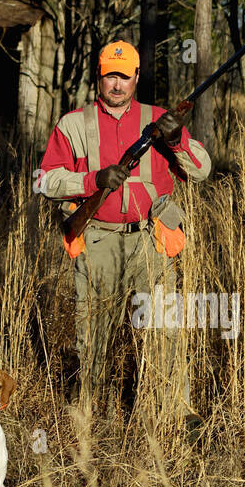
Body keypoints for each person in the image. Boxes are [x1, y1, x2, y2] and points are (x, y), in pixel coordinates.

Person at [38, 40, 211, 427]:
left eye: (124, 76)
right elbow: (44, 179)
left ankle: (172, 416)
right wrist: (92, 179)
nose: (117, 85)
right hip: (97, 239)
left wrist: (175, 138)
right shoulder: (73, 124)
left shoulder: (161, 120)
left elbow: (202, 170)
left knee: (164, 330)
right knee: (92, 332)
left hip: (151, 239)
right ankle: (87, 419)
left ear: (136, 77)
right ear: (99, 78)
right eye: (110, 76)